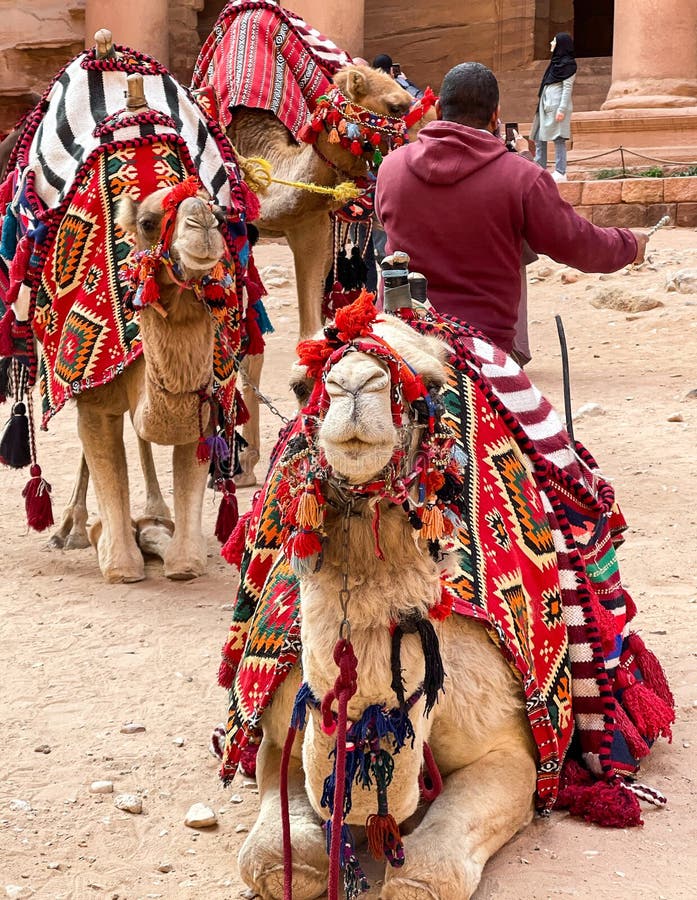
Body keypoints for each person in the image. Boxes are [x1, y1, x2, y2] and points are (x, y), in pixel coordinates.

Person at [375, 62, 648, 357]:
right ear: (495, 117)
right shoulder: (523, 178)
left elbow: (385, 224)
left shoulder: (391, 167)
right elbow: (575, 243)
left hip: (399, 337)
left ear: (439, 110)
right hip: (483, 344)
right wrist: (629, 244)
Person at [531, 32, 576, 183]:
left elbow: (567, 88)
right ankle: (539, 169)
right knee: (539, 137)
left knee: (558, 138)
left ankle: (560, 171)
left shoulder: (569, 65)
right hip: (545, 106)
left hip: (557, 107)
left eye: (554, 41)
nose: (551, 43)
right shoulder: (554, 65)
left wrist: (562, 110)